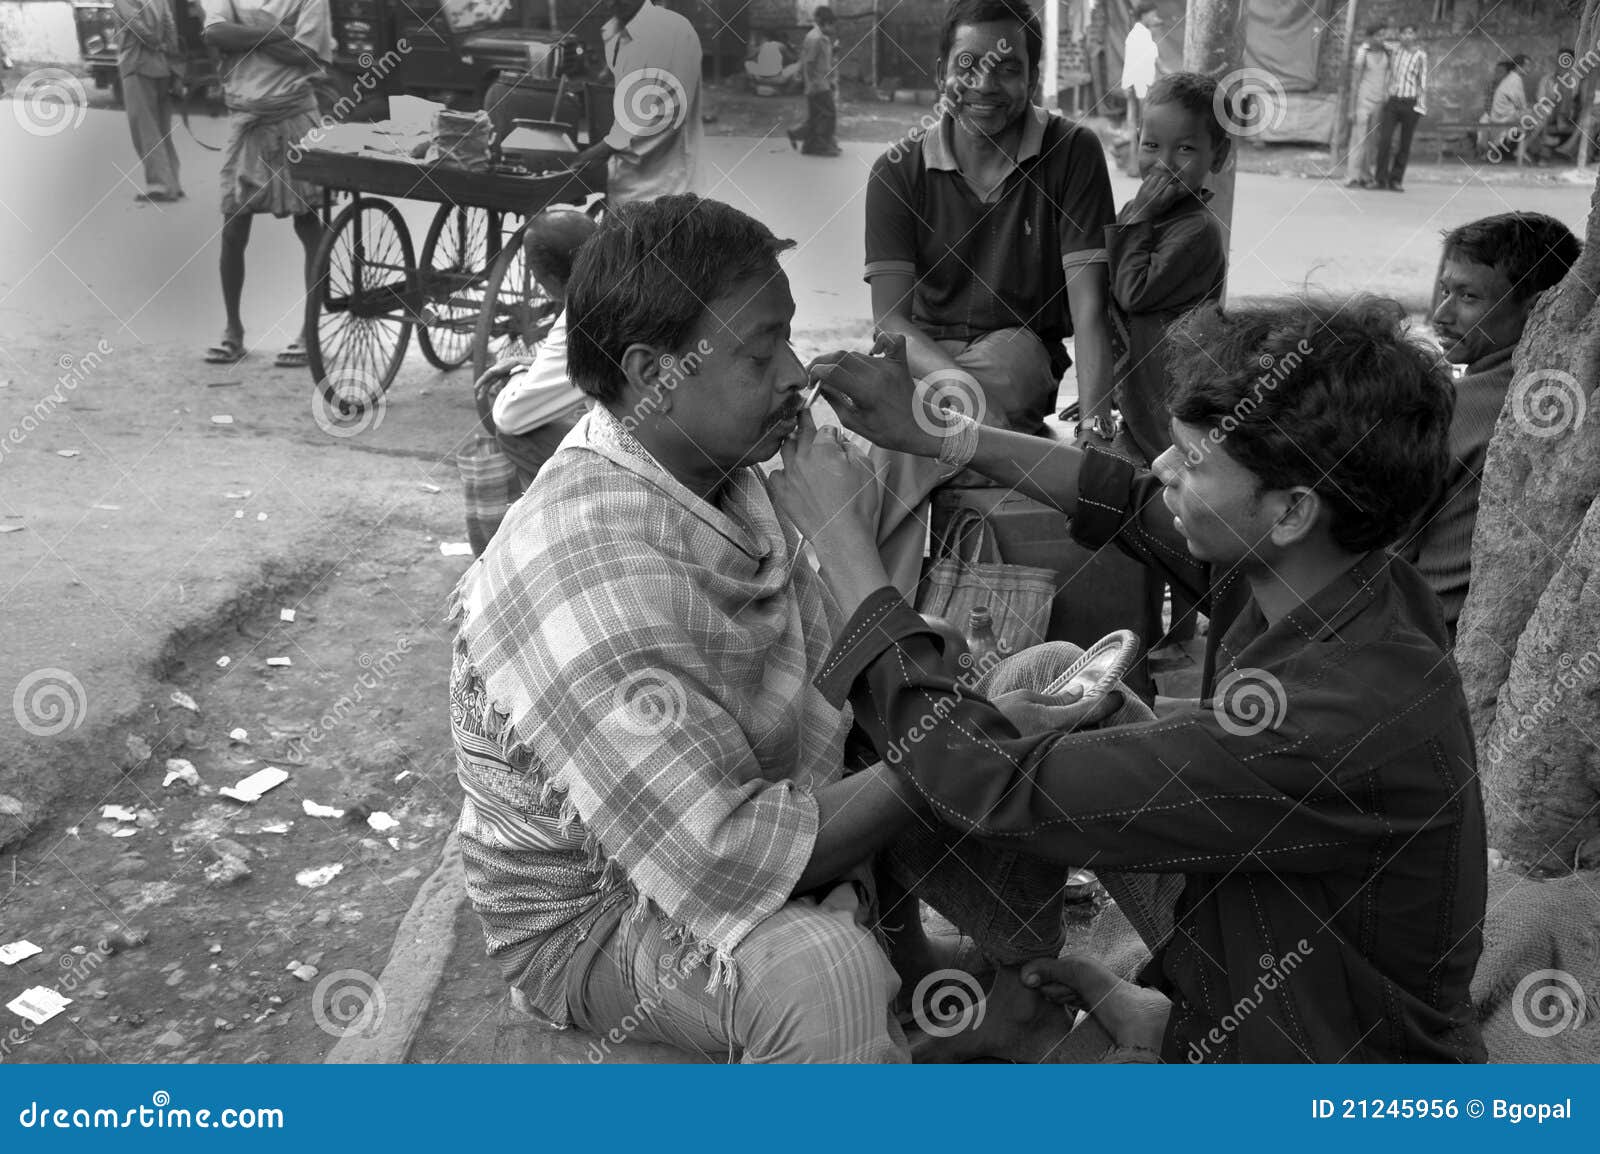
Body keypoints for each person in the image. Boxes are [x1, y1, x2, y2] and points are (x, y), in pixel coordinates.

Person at [448, 195, 1090, 1064]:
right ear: (651, 372)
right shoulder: (583, 562)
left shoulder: (724, 472)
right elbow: (719, 857)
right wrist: (959, 744)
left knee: (1042, 676)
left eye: (787, 337)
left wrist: (960, 684)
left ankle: (959, 983)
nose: (795, 372)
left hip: (731, 815)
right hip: (603, 910)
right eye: (761, 352)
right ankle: (884, 997)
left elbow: (840, 680)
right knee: (823, 973)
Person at [780, 296, 1487, 1062]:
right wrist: (935, 434)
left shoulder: (1328, 720)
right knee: (1049, 682)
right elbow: (1127, 504)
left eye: (1192, 461)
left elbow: (984, 782)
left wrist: (842, 543)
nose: (1162, 467)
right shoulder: (1343, 579)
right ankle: (1130, 1014)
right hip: (1272, 1002)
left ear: (1291, 512)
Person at [866, 0, 1116, 439]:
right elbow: (891, 321)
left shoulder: (1073, 152)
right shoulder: (896, 171)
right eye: (967, 65)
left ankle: (865, 505)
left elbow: (1089, 306)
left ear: (1033, 79)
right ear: (940, 72)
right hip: (924, 354)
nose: (983, 85)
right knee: (913, 401)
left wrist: (1096, 425)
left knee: (912, 416)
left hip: (1021, 349)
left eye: (1006, 69)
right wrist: (964, 392)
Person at [1397, 212, 1581, 642]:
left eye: (1468, 297)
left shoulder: (1461, 407)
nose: (1440, 314)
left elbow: (1387, 540)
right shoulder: (1563, 390)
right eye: (1445, 291)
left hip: (1426, 629)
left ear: (1537, 308)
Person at [199, 0, 330, 368]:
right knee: (233, 223)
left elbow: (305, 52)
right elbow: (214, 32)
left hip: (295, 114)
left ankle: (309, 332)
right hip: (247, 117)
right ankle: (233, 331)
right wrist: (276, 33)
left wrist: (242, 36)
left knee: (307, 222)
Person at [570, 0, 703, 203]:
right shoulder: (615, 34)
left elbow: (669, 110)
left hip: (666, 187)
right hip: (625, 182)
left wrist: (605, 148)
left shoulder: (673, 32)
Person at [114, 0, 185, 203]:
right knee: (163, 129)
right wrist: (168, 51)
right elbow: (170, 25)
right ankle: (174, 183)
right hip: (162, 65)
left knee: (145, 128)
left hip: (137, 65)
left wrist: (154, 43)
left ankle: (160, 186)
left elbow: (134, 24)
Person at [1372, 23, 1427, 192]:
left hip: (1411, 103)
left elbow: (1422, 81)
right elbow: (1378, 42)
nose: (1407, 36)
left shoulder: (1420, 56)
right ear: (1400, 35)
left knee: (1405, 143)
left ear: (1415, 35)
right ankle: (1380, 179)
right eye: (1404, 33)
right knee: (1385, 140)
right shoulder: (1395, 50)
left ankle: (1395, 180)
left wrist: (1421, 106)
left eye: (1410, 33)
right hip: (1393, 102)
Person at [788, 6, 840, 156]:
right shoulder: (815, 38)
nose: (833, 29)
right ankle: (822, 146)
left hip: (821, 83)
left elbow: (822, 60)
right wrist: (813, 83)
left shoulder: (821, 37)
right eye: (832, 25)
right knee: (829, 115)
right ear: (825, 23)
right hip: (818, 85)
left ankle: (808, 146)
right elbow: (809, 62)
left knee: (816, 117)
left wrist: (834, 50)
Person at [1344, 22, 1390, 188]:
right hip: (1363, 101)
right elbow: (1355, 82)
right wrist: (1351, 108)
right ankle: (1352, 176)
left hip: (1378, 103)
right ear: (1370, 37)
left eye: (1384, 34)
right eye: (1378, 35)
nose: (1381, 38)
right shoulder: (1363, 53)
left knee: (1371, 143)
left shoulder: (1386, 53)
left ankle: (1365, 175)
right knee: (1358, 140)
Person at [1119, 3, 1163, 176]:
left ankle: (1135, 166)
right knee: (1141, 128)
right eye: (1152, 15)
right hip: (1140, 87)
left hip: (1143, 86)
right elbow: (1131, 64)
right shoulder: (1138, 35)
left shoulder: (1145, 34)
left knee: (1141, 127)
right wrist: (1129, 86)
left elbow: (1156, 62)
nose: (1154, 18)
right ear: (1143, 15)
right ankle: (1134, 166)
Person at [1487, 53, 1529, 160]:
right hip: (1504, 118)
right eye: (1527, 66)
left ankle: (1523, 149)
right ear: (1518, 66)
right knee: (1543, 115)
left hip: (1502, 116)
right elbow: (1521, 105)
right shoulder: (1515, 80)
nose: (1529, 69)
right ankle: (1522, 149)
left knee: (1535, 115)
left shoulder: (1511, 78)